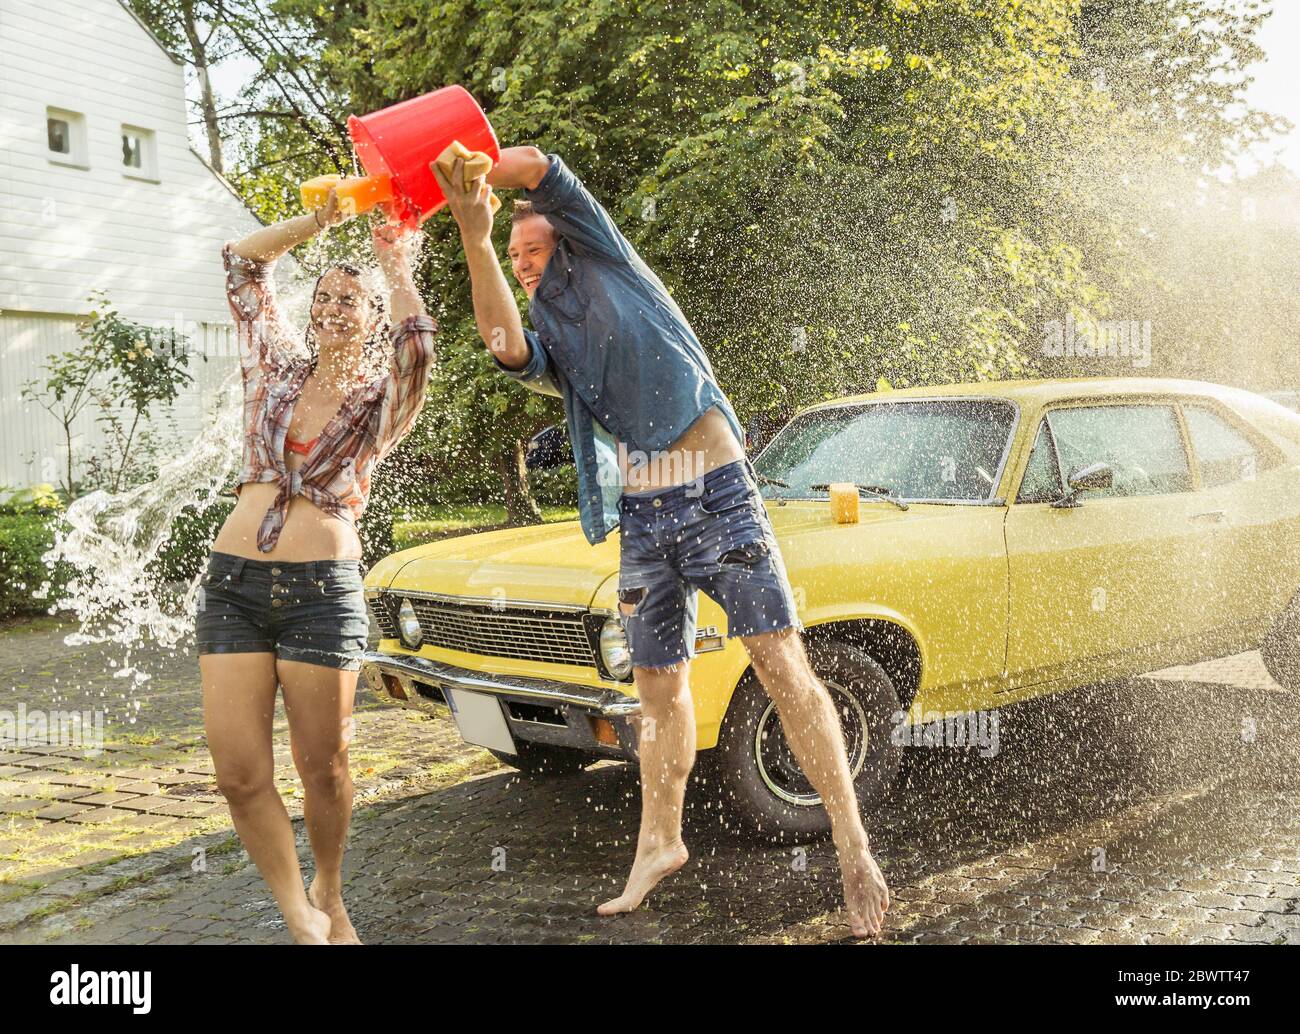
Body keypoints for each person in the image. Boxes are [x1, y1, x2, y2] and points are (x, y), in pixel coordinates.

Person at [432, 148, 889, 937]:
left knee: (781, 664)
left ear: (570, 240)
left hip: (718, 501)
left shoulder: (612, 259)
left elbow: (541, 167)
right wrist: (475, 236)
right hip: (644, 525)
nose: (526, 265)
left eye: (533, 251)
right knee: (657, 689)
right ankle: (660, 843)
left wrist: (475, 168)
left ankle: (853, 842)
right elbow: (505, 345)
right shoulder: (550, 325)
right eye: (516, 258)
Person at [196, 189, 436, 943]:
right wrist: (319, 222)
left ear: (369, 322)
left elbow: (419, 346)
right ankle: (297, 910)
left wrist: (393, 262)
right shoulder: (274, 365)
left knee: (323, 765)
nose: (333, 306)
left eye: (350, 300)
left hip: (317, 595)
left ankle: (329, 889)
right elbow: (241, 265)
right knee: (238, 772)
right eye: (325, 295)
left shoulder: (378, 397)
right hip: (233, 587)